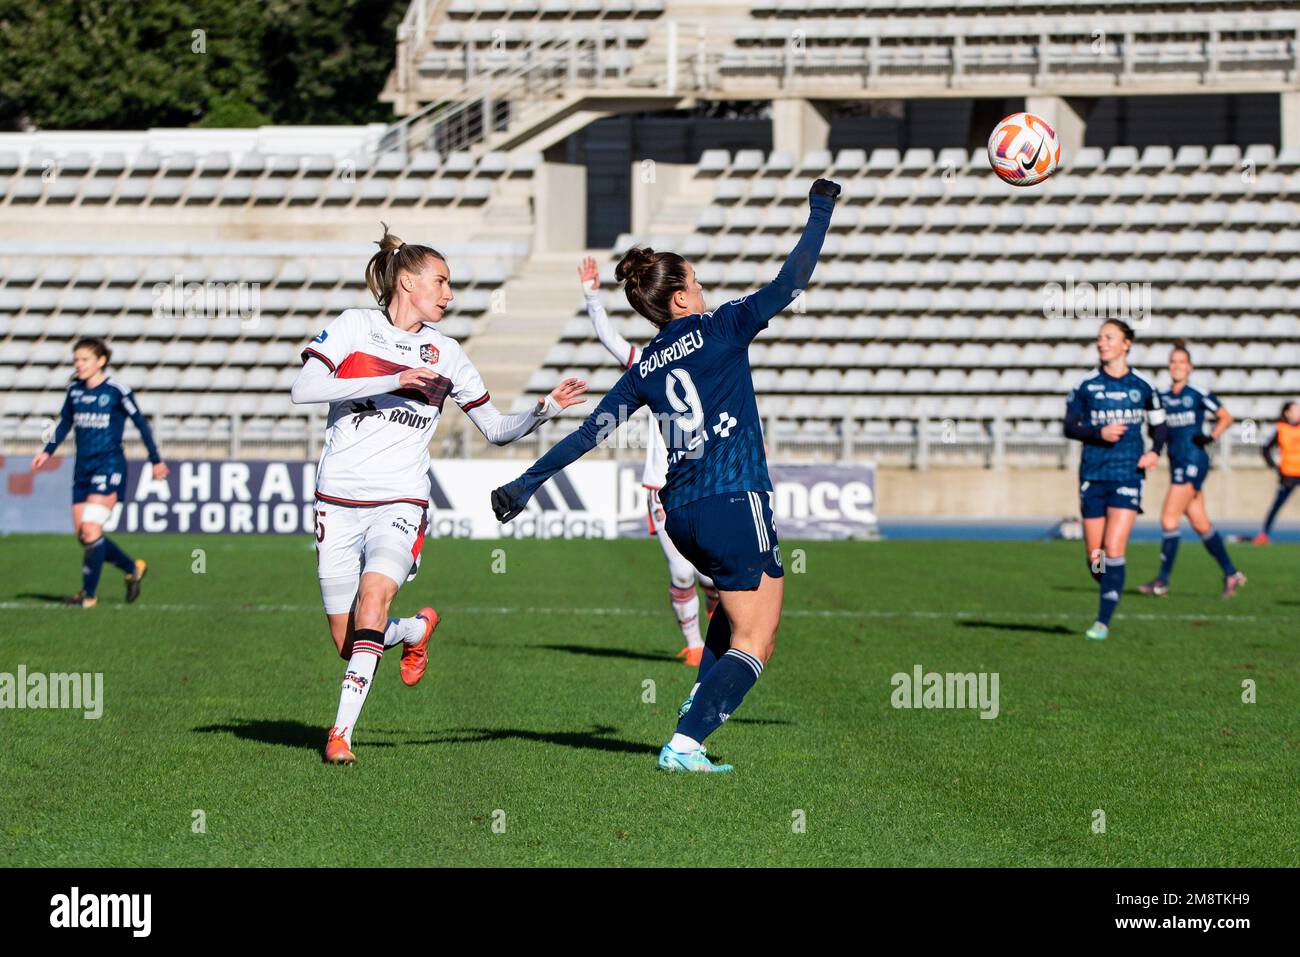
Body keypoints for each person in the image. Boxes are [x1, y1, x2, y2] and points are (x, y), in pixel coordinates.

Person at [491, 179, 841, 772]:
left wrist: (525, 483)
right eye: (697, 282)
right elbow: (791, 282)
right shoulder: (725, 325)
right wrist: (821, 209)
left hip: (680, 511)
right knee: (758, 640)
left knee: (728, 618)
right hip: (734, 496)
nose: (704, 290)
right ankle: (687, 741)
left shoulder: (644, 367)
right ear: (679, 299)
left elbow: (589, 434)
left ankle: (697, 712)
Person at [292, 225, 588, 765]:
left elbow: (496, 430)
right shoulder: (355, 326)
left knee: (374, 600)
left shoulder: (447, 353)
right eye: (442, 282)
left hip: (401, 501)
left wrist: (545, 409)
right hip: (336, 500)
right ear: (407, 281)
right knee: (348, 642)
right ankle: (417, 629)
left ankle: (340, 735)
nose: (450, 295)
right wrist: (388, 381)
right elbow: (303, 389)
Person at [576, 255, 720, 665]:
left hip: (704, 479)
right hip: (662, 486)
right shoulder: (649, 360)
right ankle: (694, 646)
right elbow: (609, 338)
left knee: (711, 576)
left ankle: (716, 630)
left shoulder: (707, 351)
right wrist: (591, 297)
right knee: (680, 573)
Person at [31, 337, 166, 607]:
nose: (79, 364)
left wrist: (155, 460)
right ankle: (132, 567)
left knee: (92, 529)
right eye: (76, 359)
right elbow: (64, 423)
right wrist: (47, 450)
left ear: (101, 361)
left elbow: (141, 424)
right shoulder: (75, 391)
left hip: (110, 465)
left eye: (84, 359)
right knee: (85, 536)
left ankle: (88, 596)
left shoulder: (117, 391)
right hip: (83, 468)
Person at [1064, 319, 1168, 641]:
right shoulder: (1085, 386)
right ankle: (1111, 582)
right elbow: (1070, 427)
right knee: (1095, 558)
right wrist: (1099, 432)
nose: (1101, 343)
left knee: (1112, 547)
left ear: (1126, 344)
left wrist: (1155, 452)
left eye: (1109, 337)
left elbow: (1159, 426)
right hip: (1093, 474)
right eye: (1099, 338)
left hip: (1127, 473)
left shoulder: (1143, 387)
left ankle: (1102, 621)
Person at [1137, 340, 1245, 598]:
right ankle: (1231, 574)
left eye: (1181, 362)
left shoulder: (1197, 393)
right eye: (1173, 362)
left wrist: (1211, 437)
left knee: (1168, 518)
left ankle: (1162, 581)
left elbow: (1226, 416)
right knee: (1199, 522)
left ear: (1190, 367)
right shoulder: (1160, 397)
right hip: (1176, 462)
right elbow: (1156, 428)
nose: (1177, 366)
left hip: (1194, 461)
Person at [1253, 400, 1300, 544]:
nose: (1298, 413)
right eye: (1295, 410)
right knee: (1277, 505)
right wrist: (1274, 466)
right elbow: (1265, 449)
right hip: (1288, 474)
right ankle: (1264, 534)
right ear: (1287, 413)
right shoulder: (1281, 429)